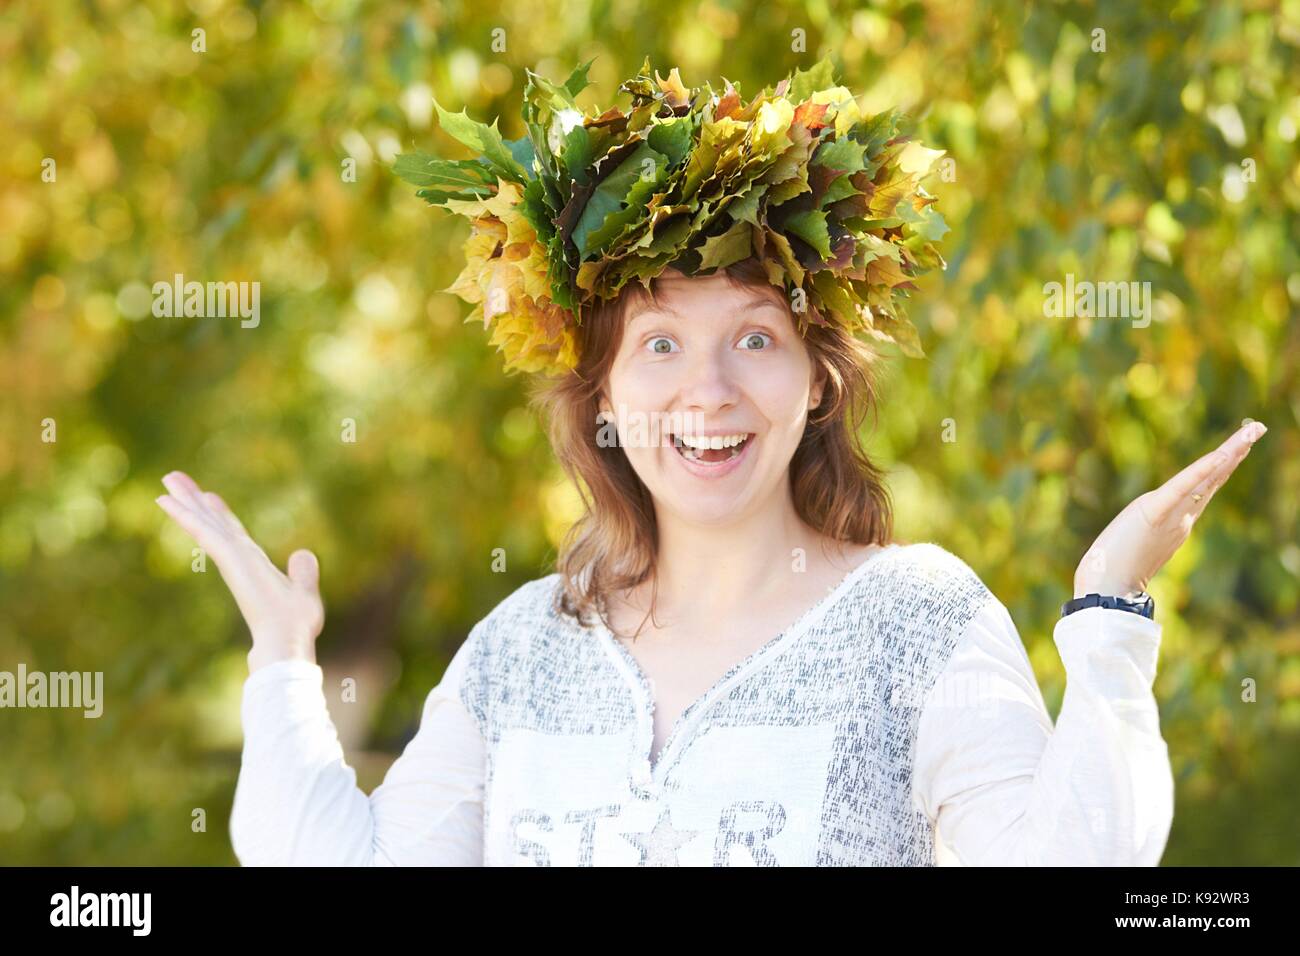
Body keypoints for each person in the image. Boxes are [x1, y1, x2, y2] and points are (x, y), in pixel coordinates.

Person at [155, 59, 1267, 865]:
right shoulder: (519, 651)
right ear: (600, 393)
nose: (708, 393)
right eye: (658, 344)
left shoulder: (919, 623)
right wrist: (283, 665)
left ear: (818, 377)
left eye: (753, 337)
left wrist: (1108, 615)